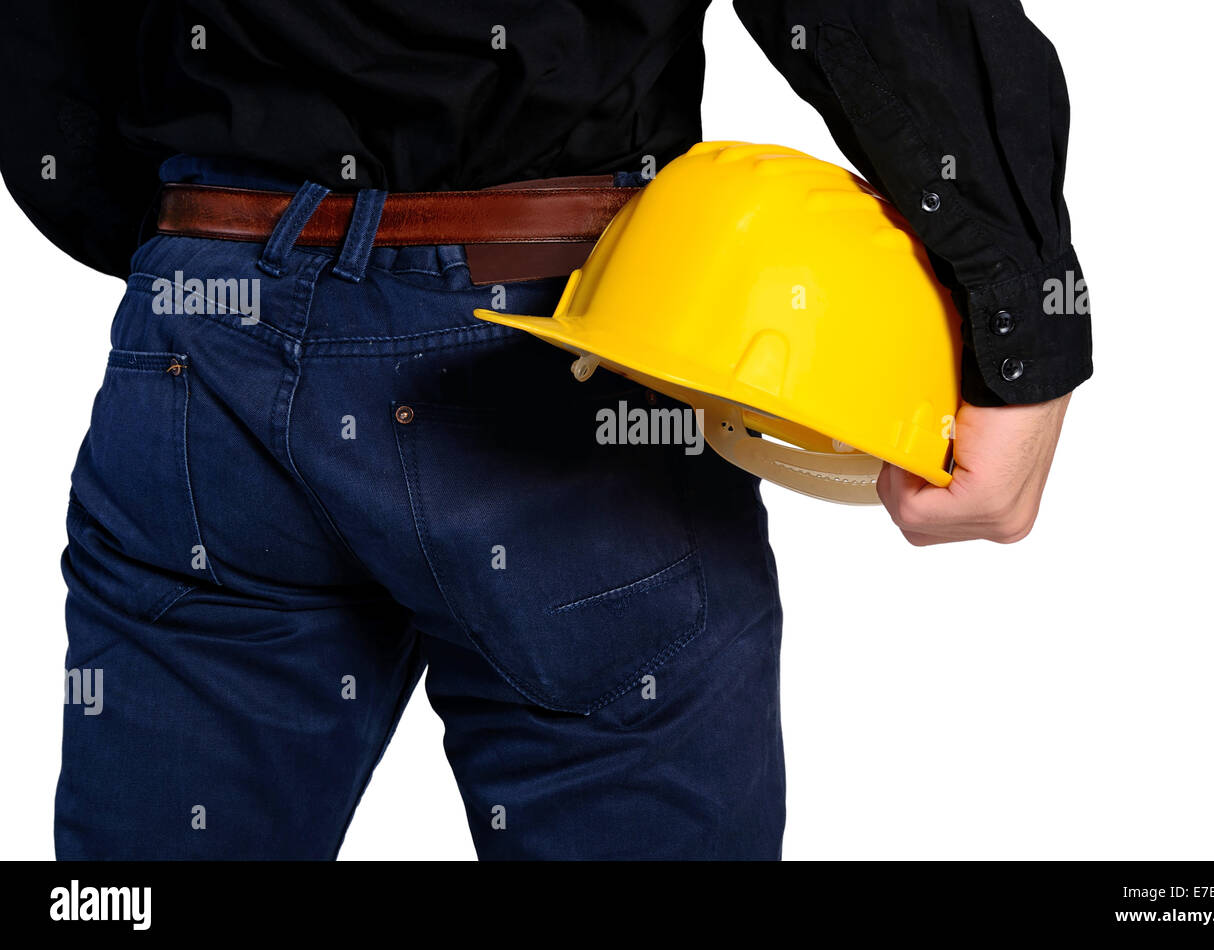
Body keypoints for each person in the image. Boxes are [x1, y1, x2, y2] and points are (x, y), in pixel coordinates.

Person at [0, 1, 1091, 859]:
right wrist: (1018, 308)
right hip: (572, 326)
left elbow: (47, 67)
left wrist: (196, 243)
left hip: (210, 327)